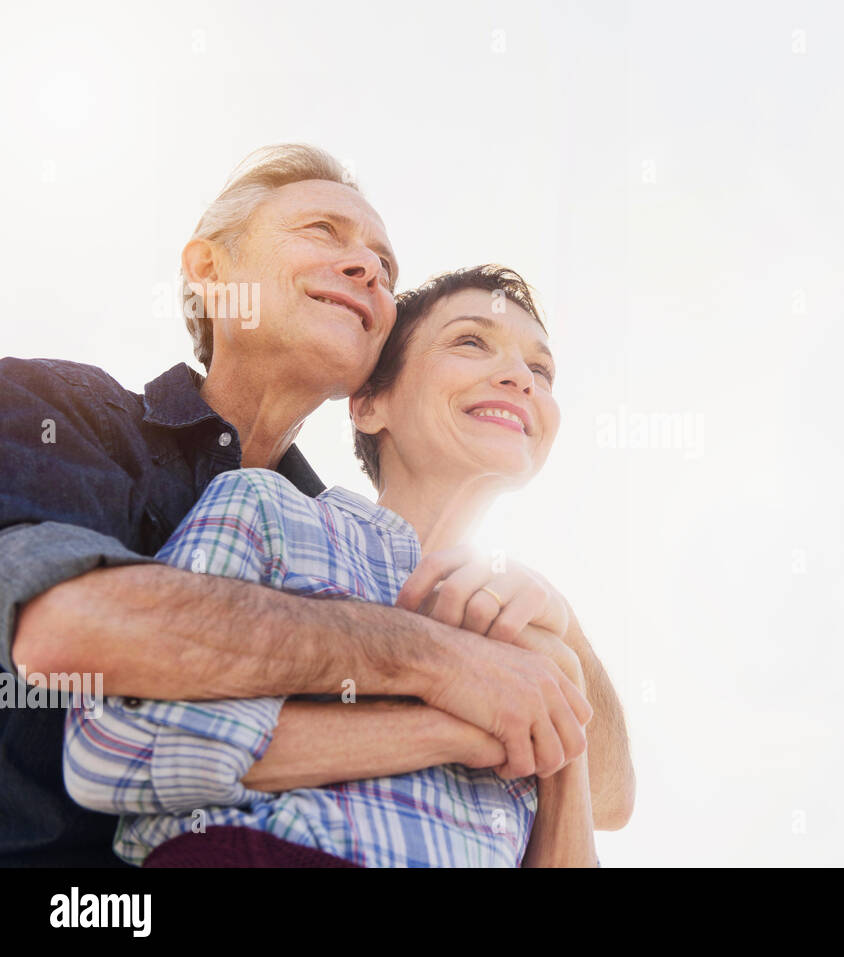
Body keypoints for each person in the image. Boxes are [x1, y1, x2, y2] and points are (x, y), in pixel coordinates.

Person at [0, 144, 633, 867]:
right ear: (211, 270)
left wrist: (557, 636)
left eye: (386, 267)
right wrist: (447, 674)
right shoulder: (69, 411)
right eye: (322, 232)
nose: (366, 267)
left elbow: (603, 792)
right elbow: (69, 628)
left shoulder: (338, 541)